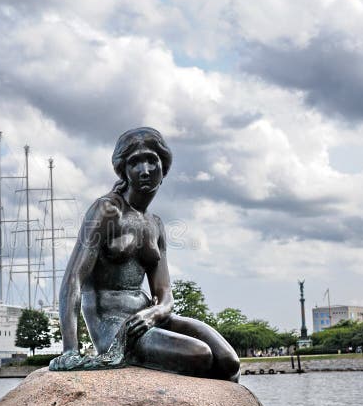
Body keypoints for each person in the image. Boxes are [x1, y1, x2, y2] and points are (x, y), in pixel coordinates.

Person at [49, 127, 240, 382]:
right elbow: (73, 279)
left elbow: (165, 295)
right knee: (200, 355)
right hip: (116, 329)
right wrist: (70, 350)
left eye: (152, 160)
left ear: (164, 168)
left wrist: (153, 314)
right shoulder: (106, 211)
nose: (145, 169)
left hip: (149, 320)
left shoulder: (156, 225)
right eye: (135, 162)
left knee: (229, 361)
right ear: (124, 170)